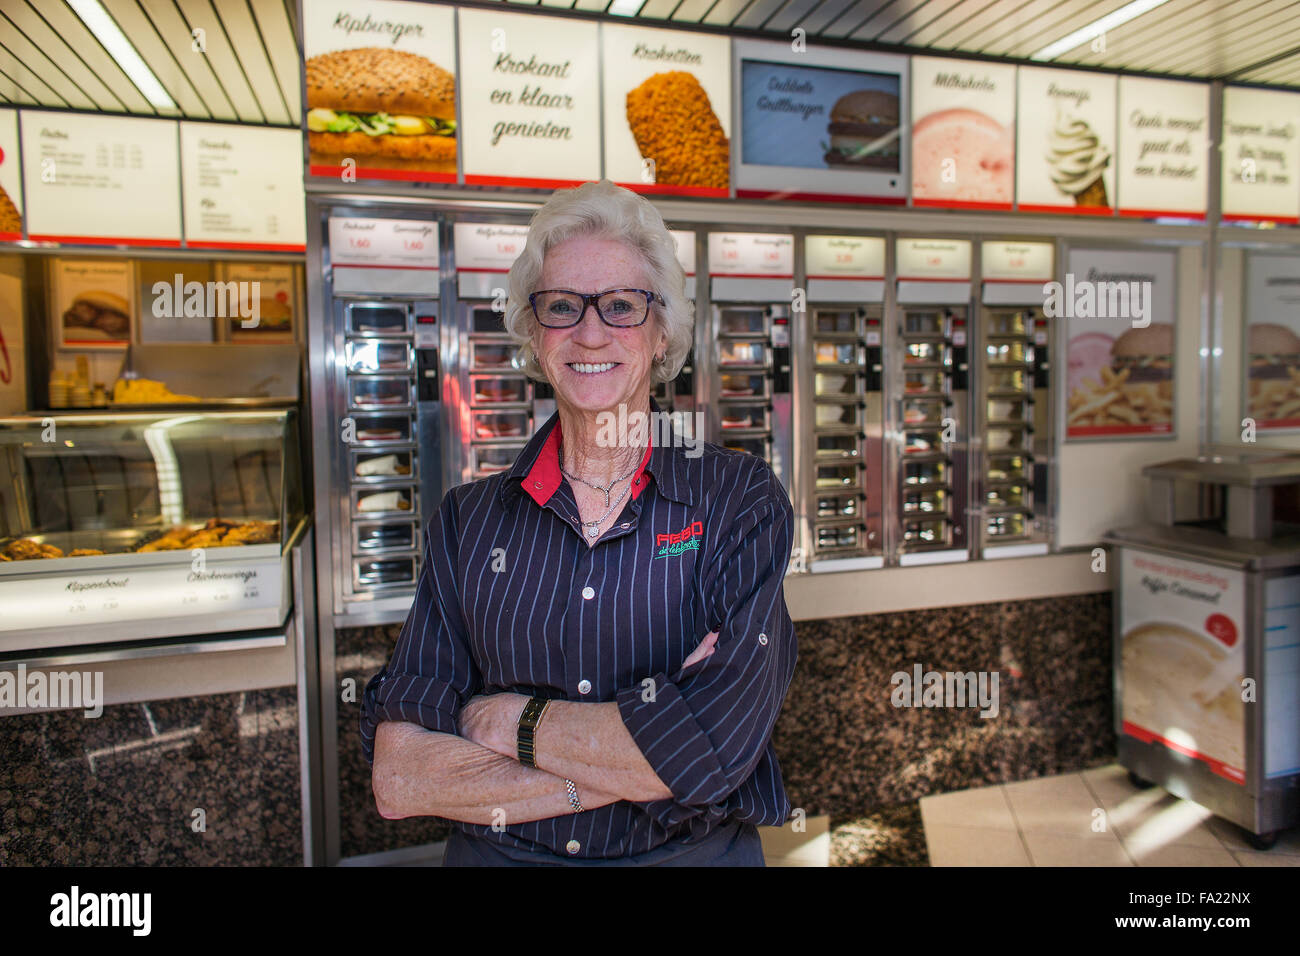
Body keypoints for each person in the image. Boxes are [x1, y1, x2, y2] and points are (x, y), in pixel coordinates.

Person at [360, 179, 797, 865]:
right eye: (562, 307)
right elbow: (400, 775)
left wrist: (507, 720)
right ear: (535, 336)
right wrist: (639, 759)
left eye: (622, 305)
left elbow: (717, 752)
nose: (591, 332)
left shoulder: (737, 501)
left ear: (660, 333)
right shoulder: (468, 523)